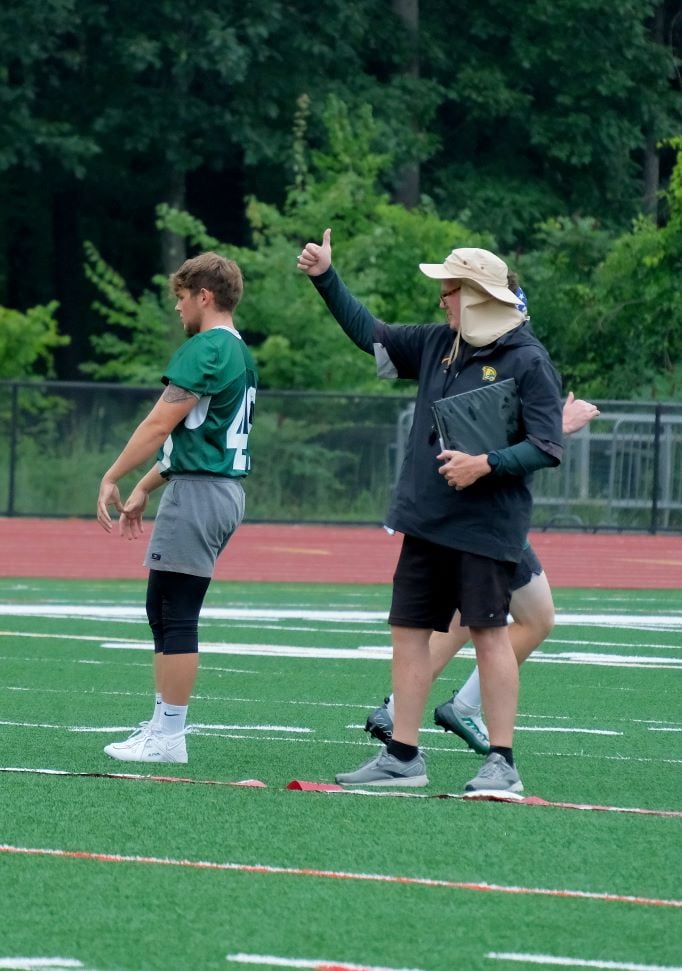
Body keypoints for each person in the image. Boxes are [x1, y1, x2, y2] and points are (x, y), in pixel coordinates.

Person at [298, 231, 563, 793]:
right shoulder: (438, 343)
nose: (441, 298)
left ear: (476, 293)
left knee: (489, 634)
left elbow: (547, 444)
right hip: (427, 519)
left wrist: (484, 463)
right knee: (409, 631)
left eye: (449, 289)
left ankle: (502, 763)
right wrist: (327, 277)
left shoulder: (528, 358)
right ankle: (403, 756)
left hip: (487, 526)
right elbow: (370, 336)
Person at [364, 392, 600, 754]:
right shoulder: (491, 354)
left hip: (476, 508)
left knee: (476, 616)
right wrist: (559, 426)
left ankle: (407, 711)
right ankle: (445, 713)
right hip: (482, 512)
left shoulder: (486, 354)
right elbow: (489, 442)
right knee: (529, 618)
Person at [96, 251, 257, 764]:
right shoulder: (237, 350)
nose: (178, 308)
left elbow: (159, 425)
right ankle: (162, 727)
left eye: (181, 297)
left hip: (201, 493)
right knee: (163, 608)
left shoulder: (206, 347)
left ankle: (169, 736)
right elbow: (199, 437)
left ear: (204, 296)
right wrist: (147, 484)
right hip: (210, 487)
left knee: (174, 612)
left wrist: (113, 475)